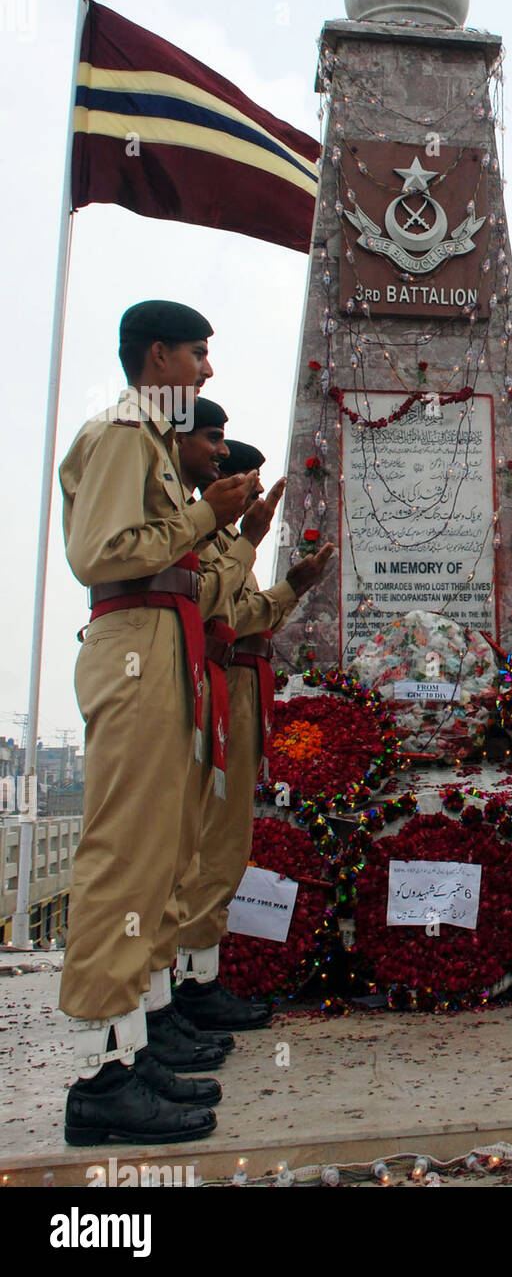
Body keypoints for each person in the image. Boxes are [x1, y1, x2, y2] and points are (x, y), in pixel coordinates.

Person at [58, 300, 256, 1145]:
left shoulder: (148, 447)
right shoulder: (120, 436)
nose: (207, 371)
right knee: (125, 857)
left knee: (162, 855)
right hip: (136, 648)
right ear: (158, 356)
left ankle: (131, 1047)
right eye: (198, 355)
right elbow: (100, 553)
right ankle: (100, 1078)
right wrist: (208, 514)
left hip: (165, 649)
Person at [171, 434, 335, 1031]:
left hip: (241, 683)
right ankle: (183, 989)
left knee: (226, 839)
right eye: (249, 482)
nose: (259, 496)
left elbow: (248, 613)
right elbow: (226, 616)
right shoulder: (207, 538)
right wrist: (254, 546)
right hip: (217, 681)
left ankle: (197, 980)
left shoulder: (227, 542)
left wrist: (294, 586)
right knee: (205, 842)